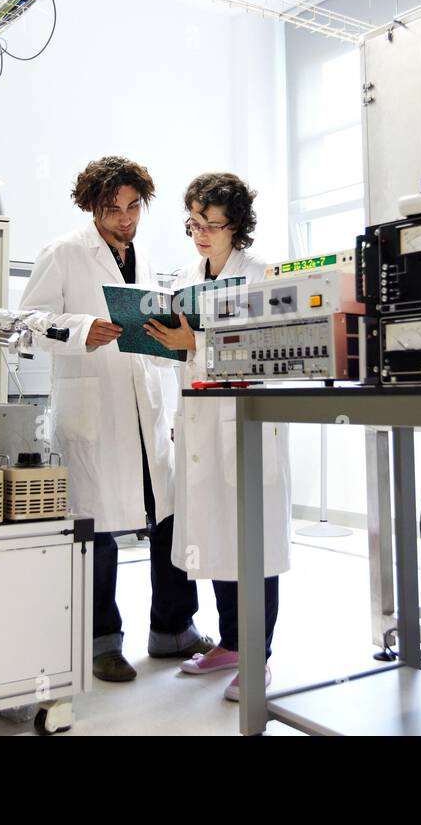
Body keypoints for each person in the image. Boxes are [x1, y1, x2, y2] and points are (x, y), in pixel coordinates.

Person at [20, 156, 213, 682]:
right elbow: (28, 323)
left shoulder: (144, 255)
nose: (125, 219)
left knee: (167, 519)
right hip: (95, 411)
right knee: (97, 528)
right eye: (113, 209)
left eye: (133, 208)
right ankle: (102, 641)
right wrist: (83, 328)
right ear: (92, 207)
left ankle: (173, 629)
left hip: (145, 408)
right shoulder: (62, 252)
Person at [144, 172, 291, 701]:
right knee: (214, 538)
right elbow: (186, 349)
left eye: (211, 224)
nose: (201, 233)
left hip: (246, 424)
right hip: (200, 425)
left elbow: (272, 349)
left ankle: (258, 656)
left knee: (253, 543)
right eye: (193, 223)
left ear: (238, 226)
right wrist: (164, 340)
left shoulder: (262, 274)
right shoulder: (186, 276)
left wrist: (196, 341)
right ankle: (230, 643)